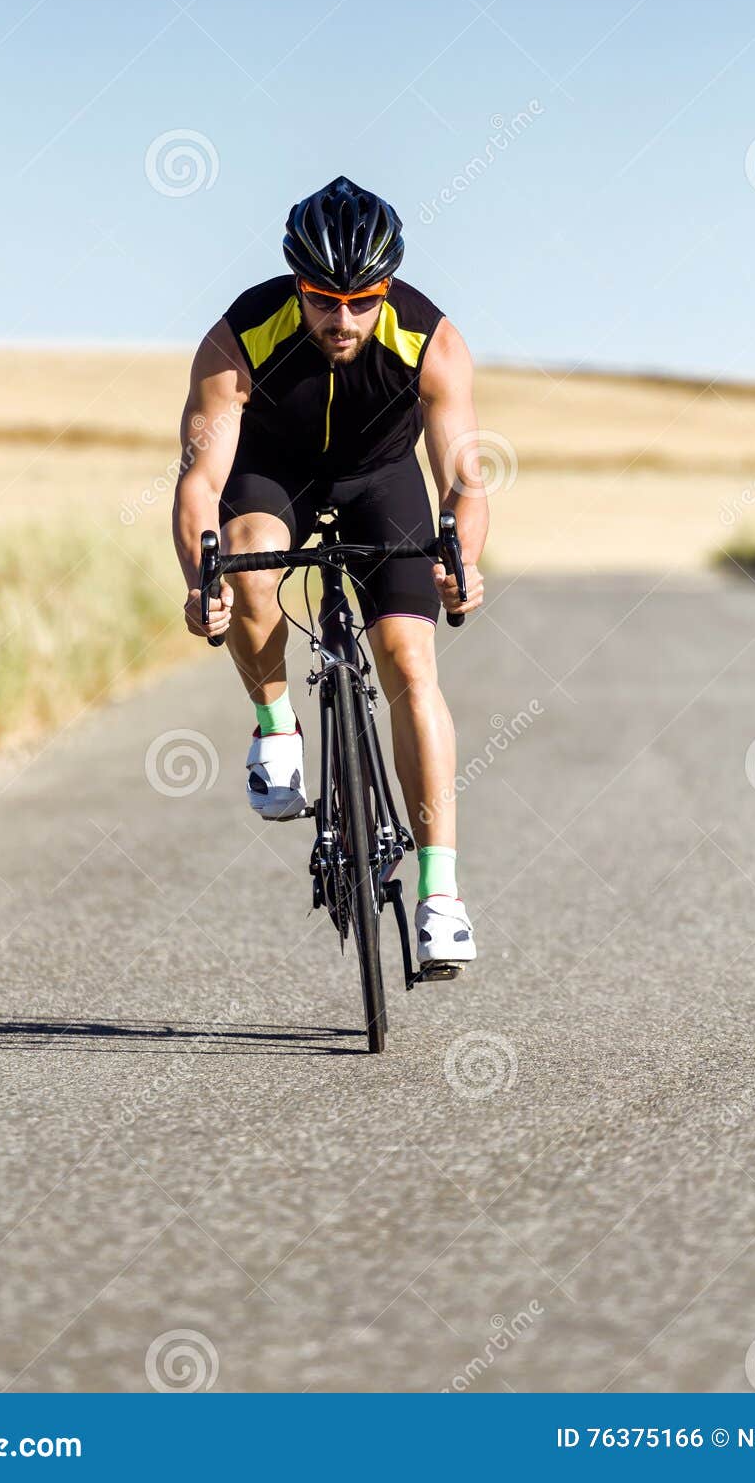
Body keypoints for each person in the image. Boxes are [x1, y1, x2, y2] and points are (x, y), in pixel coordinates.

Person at [173, 175, 487, 966]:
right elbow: (201, 483)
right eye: (321, 299)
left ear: (386, 288)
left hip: (381, 479)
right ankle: (276, 726)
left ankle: (440, 894)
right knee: (246, 567)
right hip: (274, 472)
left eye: (362, 300)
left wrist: (463, 563)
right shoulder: (239, 335)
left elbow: (462, 481)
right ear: (295, 282)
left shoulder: (432, 341)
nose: (341, 319)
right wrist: (196, 579)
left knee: (411, 664)